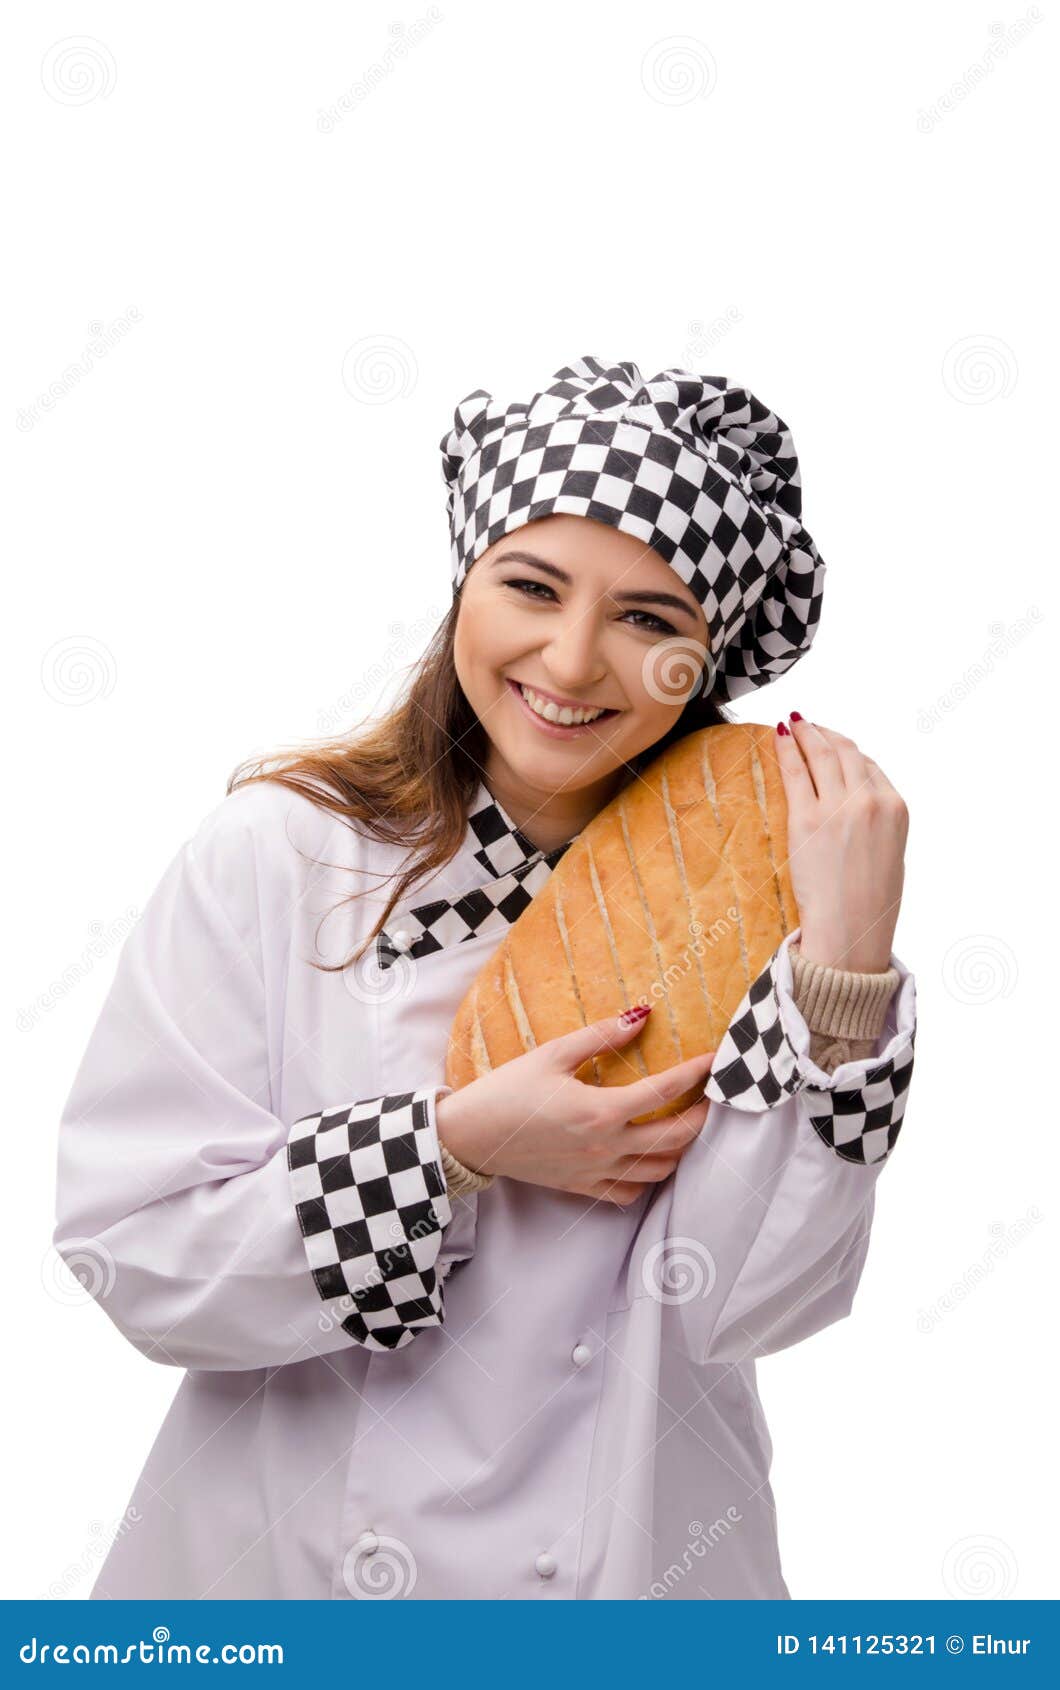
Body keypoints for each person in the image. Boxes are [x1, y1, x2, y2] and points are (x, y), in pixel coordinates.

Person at [53, 354, 916, 1600]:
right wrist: (452, 1149)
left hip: (627, 1581)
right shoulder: (281, 853)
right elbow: (131, 1256)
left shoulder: (765, 904)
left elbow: (756, 1303)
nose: (570, 663)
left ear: (707, 662)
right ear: (466, 583)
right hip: (283, 1583)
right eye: (532, 586)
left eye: (649, 619)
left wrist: (846, 971)